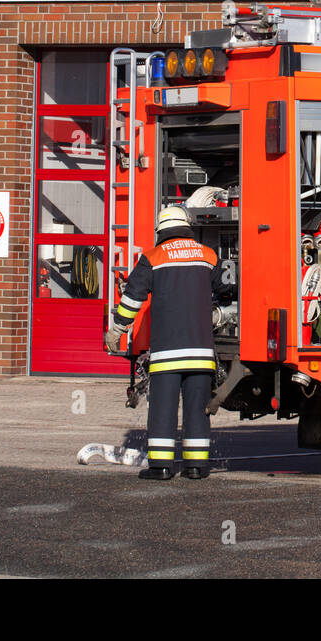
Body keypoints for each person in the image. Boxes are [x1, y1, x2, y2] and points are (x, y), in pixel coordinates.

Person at [105, 205, 218, 480]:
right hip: (202, 352)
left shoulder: (153, 257)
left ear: (161, 231)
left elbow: (133, 299)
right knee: (197, 409)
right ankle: (196, 467)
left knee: (163, 409)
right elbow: (225, 290)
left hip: (168, 353)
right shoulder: (208, 255)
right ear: (187, 227)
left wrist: (117, 329)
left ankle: (162, 467)